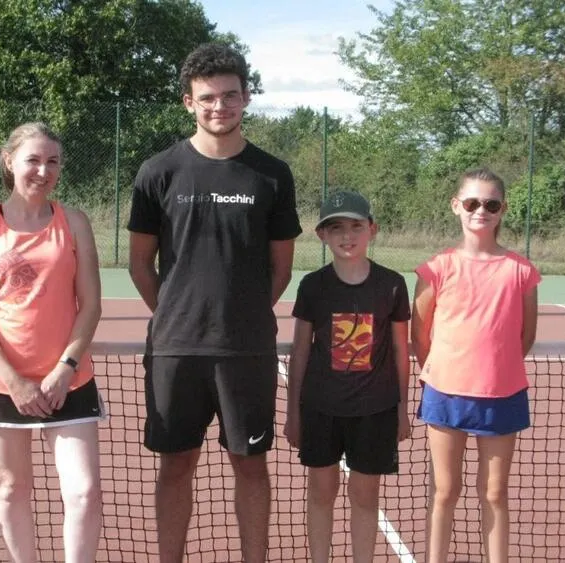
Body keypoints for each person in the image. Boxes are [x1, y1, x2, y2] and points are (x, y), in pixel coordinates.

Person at [127, 43, 301, 563]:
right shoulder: (158, 171)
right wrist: (176, 314)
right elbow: (141, 263)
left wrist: (242, 314)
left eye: (229, 96)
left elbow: (282, 268)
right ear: (188, 103)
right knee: (175, 465)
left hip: (246, 351)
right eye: (207, 98)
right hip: (175, 350)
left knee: (250, 465)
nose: (218, 107)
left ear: (246, 98)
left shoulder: (272, 174)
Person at [0, 122, 104, 562]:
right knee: (11, 487)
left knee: (84, 492)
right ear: (10, 162)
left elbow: (90, 305)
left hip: (69, 382)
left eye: (53, 161)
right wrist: (15, 381)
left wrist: (65, 369)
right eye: (33, 160)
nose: (43, 170)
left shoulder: (74, 222)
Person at [412, 168, 540, 563]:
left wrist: (493, 370)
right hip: (445, 395)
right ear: (456, 206)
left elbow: (525, 336)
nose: (480, 210)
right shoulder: (437, 268)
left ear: (502, 210)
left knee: (495, 493)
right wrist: (445, 371)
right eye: (471, 203)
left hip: (502, 396)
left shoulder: (521, 271)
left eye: (490, 204)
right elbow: (421, 333)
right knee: (445, 492)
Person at [283, 191, 411, 562]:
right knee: (321, 492)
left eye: (356, 226)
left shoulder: (391, 284)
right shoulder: (313, 286)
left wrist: (402, 408)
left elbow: (402, 352)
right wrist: (294, 413)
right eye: (336, 227)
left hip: (376, 410)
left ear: (372, 229)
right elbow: (301, 351)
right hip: (321, 408)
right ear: (322, 235)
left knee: (365, 495)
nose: (347, 235)